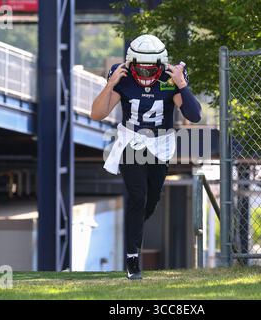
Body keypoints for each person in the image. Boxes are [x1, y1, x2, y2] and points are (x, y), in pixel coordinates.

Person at [91, 34, 202, 280]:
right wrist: (109, 85)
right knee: (137, 196)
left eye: (149, 68)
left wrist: (182, 84)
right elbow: (97, 114)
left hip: (161, 144)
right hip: (132, 141)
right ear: (132, 63)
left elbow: (194, 116)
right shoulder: (122, 76)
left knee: (150, 202)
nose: (144, 72)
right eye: (140, 67)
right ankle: (132, 257)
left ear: (160, 64)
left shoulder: (170, 79)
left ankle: (134, 230)